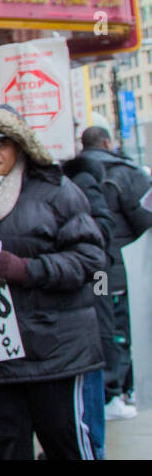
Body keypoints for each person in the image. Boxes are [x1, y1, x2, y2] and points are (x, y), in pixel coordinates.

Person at [0, 105, 105, 460]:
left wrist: (25, 268)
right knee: (6, 451)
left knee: (68, 448)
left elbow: (90, 260)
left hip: (57, 354)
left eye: (0, 143)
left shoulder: (56, 191)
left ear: (20, 146)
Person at [77, 125, 151, 419]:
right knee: (118, 327)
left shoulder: (70, 175)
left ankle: (111, 389)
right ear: (107, 142)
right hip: (118, 269)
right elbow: (144, 220)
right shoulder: (127, 172)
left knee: (101, 322)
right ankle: (115, 390)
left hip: (94, 271)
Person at [61, 153, 118, 458]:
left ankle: (96, 447)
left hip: (87, 293)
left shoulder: (76, 186)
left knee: (88, 388)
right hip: (89, 293)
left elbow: (98, 243)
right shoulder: (83, 183)